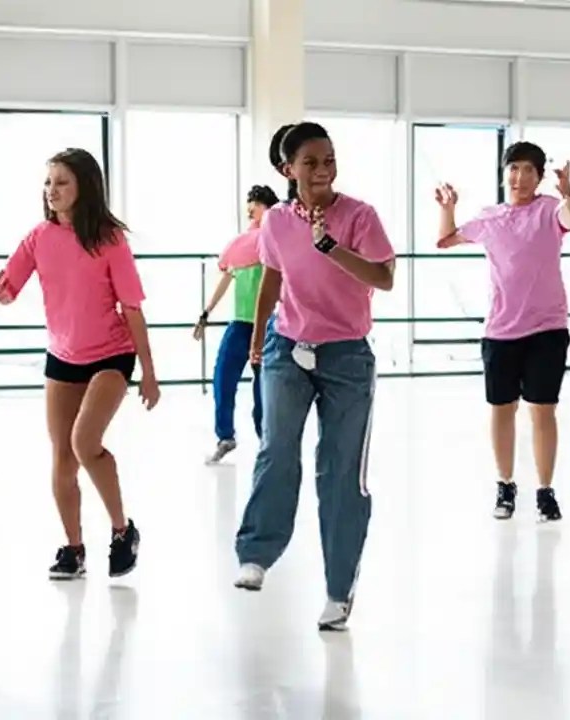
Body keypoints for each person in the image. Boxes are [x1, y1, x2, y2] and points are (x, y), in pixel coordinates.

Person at [232, 122, 395, 632]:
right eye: (310, 162)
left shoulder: (360, 216)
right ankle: (256, 553)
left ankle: (338, 590)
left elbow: (384, 277)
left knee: (340, 472)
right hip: (287, 346)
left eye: (329, 160)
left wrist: (332, 248)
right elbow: (272, 278)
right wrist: (258, 338)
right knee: (276, 449)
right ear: (288, 169)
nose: (323, 170)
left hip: (346, 356)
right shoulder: (277, 222)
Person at [0, 148, 158, 580]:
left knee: (84, 441)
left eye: (62, 182)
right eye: (48, 182)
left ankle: (122, 530)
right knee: (62, 457)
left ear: (85, 187)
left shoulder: (109, 240)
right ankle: (73, 549)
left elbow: (132, 307)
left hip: (112, 354)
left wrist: (149, 373)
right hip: (63, 355)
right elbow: (9, 291)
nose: (52, 190)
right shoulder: (39, 237)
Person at [435, 141, 570, 522]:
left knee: (543, 410)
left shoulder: (550, 209)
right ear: (504, 174)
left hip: (547, 328)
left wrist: (568, 190)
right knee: (502, 409)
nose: (520, 177)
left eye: (529, 170)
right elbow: (445, 239)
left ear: (539, 177)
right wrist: (447, 208)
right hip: (501, 330)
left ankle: (545, 491)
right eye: (514, 169)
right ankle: (505, 485)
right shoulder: (491, 217)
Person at [194, 184, 279, 464]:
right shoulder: (242, 246)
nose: (250, 209)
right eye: (249, 205)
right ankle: (225, 436)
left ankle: (267, 441)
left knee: (262, 386)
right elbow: (226, 278)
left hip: (267, 325)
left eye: (255, 204)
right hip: (240, 324)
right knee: (223, 377)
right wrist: (206, 313)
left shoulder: (273, 243)